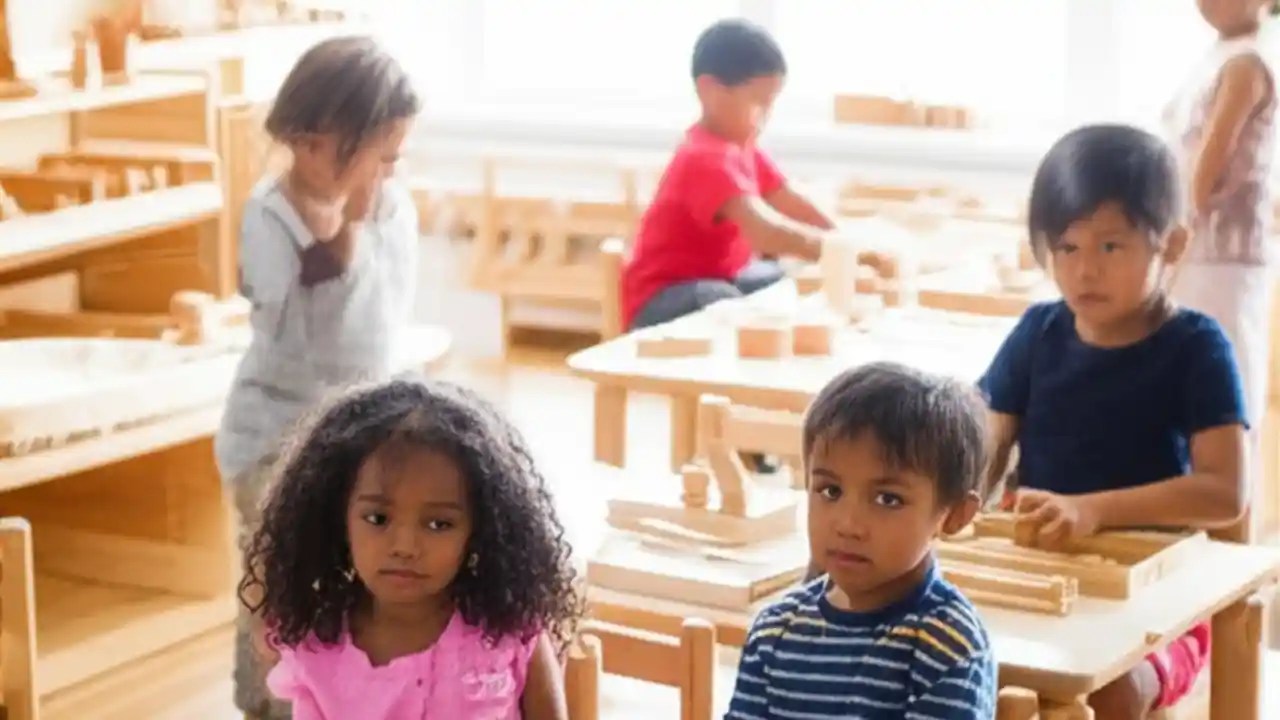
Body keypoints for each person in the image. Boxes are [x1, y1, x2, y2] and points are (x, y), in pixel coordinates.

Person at [980, 124, 1248, 718]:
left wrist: (1093, 509)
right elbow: (987, 437)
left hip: (1159, 591)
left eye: (1110, 246)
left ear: (1171, 246)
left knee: (1108, 695)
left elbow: (1226, 493)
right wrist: (965, 489)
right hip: (1044, 572)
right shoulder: (1037, 333)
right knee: (971, 672)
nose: (1085, 271)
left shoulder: (1197, 347)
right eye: (1067, 248)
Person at [213, 36, 422, 719]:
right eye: (377, 157)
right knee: (277, 580)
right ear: (313, 143)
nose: (387, 175)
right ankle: (267, 705)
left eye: (396, 158)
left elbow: (386, 322)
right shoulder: (269, 215)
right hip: (277, 435)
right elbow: (301, 308)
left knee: (357, 572)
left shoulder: (393, 207)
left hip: (363, 428)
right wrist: (347, 227)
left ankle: (342, 697)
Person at [240, 378, 580, 719]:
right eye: (377, 518)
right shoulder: (316, 648)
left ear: (480, 529)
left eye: (438, 525)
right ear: (336, 516)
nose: (405, 547)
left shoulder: (510, 632)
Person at [725, 362, 996, 719]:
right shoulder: (776, 631)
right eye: (830, 490)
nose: (848, 524)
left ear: (954, 514)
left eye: (888, 499)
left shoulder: (945, 646)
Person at [621, 18, 837, 332]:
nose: (765, 117)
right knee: (722, 299)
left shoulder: (742, 148)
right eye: (758, 103)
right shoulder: (704, 156)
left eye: (771, 104)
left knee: (775, 282)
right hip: (662, 299)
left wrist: (839, 236)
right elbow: (767, 231)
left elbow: (788, 199)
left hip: (716, 279)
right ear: (710, 90)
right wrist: (834, 250)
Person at [1164, 0, 1277, 540]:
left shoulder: (1247, 64)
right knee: (1190, 409)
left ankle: (1233, 568)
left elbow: (1202, 177)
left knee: (1225, 414)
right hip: (1192, 253)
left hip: (1220, 267)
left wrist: (1156, 240)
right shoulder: (1216, 54)